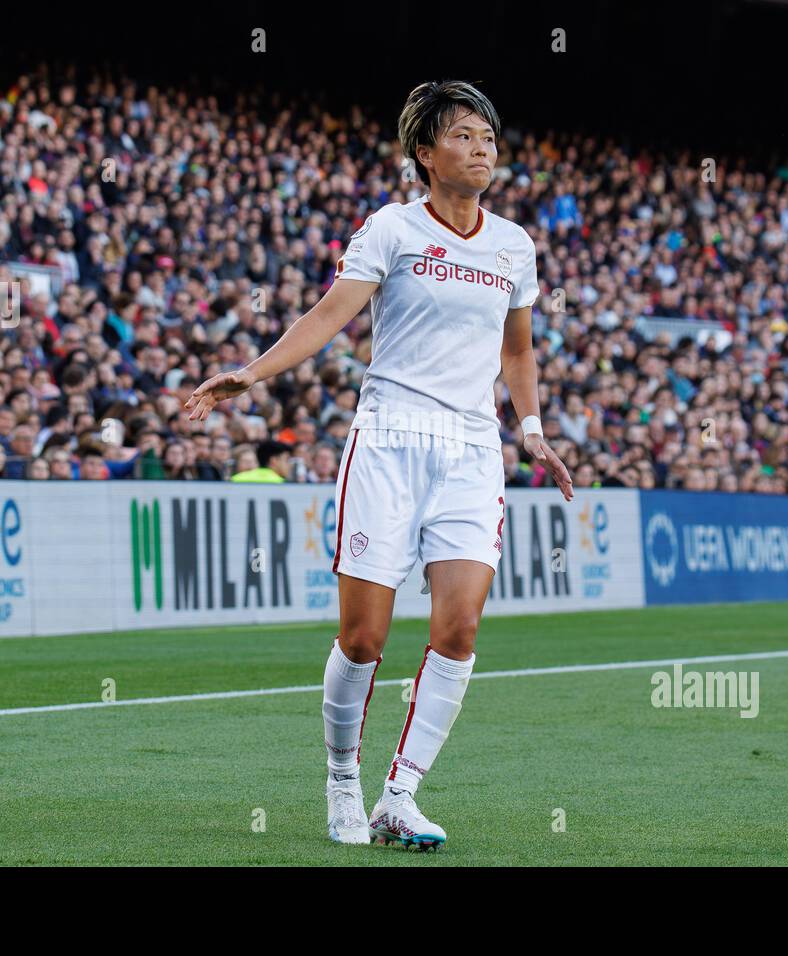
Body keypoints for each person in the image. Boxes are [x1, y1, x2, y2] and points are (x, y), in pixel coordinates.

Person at [187, 80, 572, 850]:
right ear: (424, 155)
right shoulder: (392, 228)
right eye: (462, 135)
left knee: (459, 629)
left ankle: (399, 796)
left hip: (470, 450)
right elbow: (332, 312)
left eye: (489, 137)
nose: (482, 147)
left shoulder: (514, 246)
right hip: (390, 438)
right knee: (364, 638)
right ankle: (340, 781)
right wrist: (253, 372)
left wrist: (530, 428)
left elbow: (518, 347)